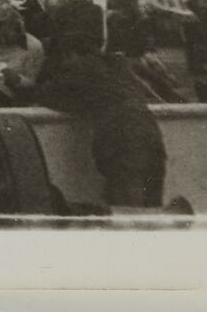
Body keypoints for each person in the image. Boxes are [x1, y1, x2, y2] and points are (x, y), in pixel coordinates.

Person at [37, 28, 169, 208]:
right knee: (152, 211)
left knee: (129, 214)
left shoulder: (80, 70)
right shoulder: (118, 65)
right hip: (152, 139)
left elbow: (47, 95)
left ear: (71, 54)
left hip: (123, 146)